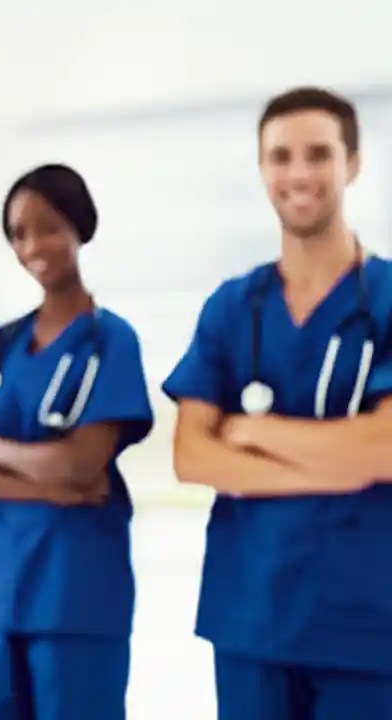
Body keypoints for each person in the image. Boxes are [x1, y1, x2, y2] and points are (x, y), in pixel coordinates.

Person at [163, 86, 392, 719]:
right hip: (250, 621)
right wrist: (343, 463)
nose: (299, 174)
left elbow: (388, 448)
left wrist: (254, 431)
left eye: (318, 154)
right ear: (262, 169)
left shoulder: (389, 297)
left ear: (354, 163)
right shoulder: (233, 307)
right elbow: (191, 455)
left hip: (366, 627)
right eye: (281, 156)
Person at [0, 164, 153, 720]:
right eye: (19, 233)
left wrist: (1, 451)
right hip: (1, 597)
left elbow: (82, 465)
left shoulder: (110, 340)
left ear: (81, 228)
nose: (34, 245)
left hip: (79, 594)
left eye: (49, 227)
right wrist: (50, 483)